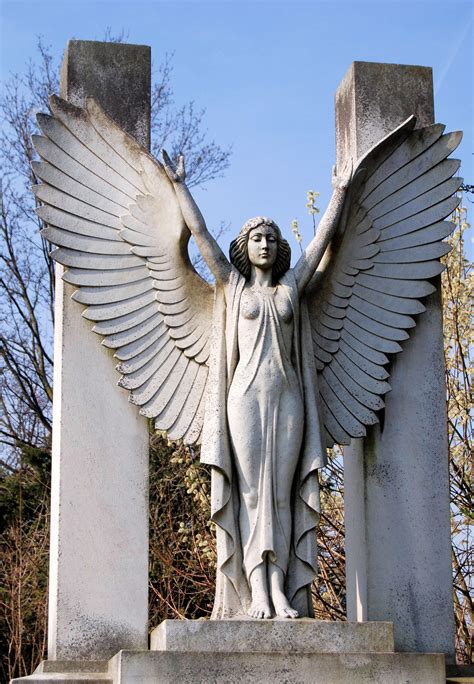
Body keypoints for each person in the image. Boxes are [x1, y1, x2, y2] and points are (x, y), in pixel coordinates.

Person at [163, 151, 349, 619]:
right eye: (256, 238)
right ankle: (256, 590)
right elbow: (201, 237)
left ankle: (279, 589)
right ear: (245, 247)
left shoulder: (291, 289)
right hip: (243, 400)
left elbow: (323, 241)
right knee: (250, 494)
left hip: (288, 400)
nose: (264, 244)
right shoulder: (233, 286)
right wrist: (181, 187)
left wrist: (341, 192)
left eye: (271, 237)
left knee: (281, 495)